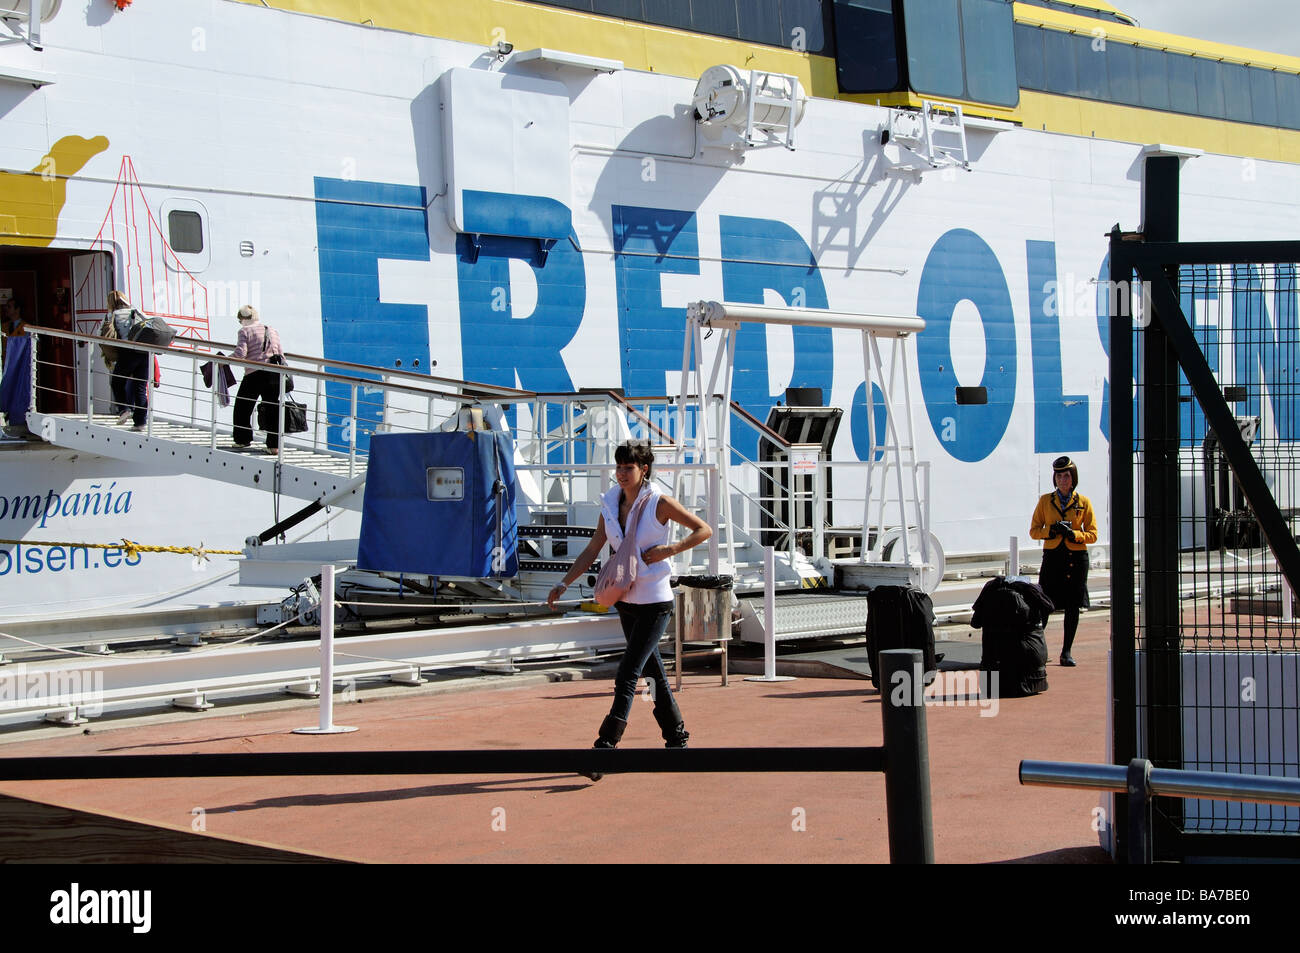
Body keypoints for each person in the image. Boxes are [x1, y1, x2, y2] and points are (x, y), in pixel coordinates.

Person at [546, 440, 713, 780]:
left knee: (627, 673)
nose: (622, 474)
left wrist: (672, 548)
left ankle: (605, 749)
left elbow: (703, 529)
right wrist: (564, 583)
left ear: (644, 469)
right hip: (624, 600)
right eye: (618, 467)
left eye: (629, 468)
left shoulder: (659, 503)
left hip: (654, 602)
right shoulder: (609, 503)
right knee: (653, 674)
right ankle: (677, 739)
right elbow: (594, 547)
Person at [1029, 455, 1098, 667]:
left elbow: (1093, 534)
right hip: (1053, 558)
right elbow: (1033, 531)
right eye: (1059, 476)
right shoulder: (1045, 501)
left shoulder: (1083, 502)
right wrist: (1051, 530)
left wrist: (1074, 534)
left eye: (1066, 476)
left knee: (1072, 606)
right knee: (1045, 604)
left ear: (1073, 477)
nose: (1062, 480)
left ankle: (1066, 651)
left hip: (1075, 559)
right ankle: (1039, 649)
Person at [229, 305, 284, 452]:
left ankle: (242, 439)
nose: (240, 322)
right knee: (272, 408)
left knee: (242, 406)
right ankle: (274, 446)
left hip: (255, 373)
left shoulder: (244, 331)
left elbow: (241, 353)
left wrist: (225, 360)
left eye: (240, 319)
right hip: (274, 372)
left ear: (243, 319)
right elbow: (280, 353)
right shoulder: (271, 329)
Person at [101, 290, 148, 432]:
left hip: (127, 352)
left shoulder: (112, 315)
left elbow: (100, 334)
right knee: (140, 388)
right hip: (144, 352)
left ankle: (124, 409)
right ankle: (140, 423)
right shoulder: (136, 311)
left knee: (116, 382)